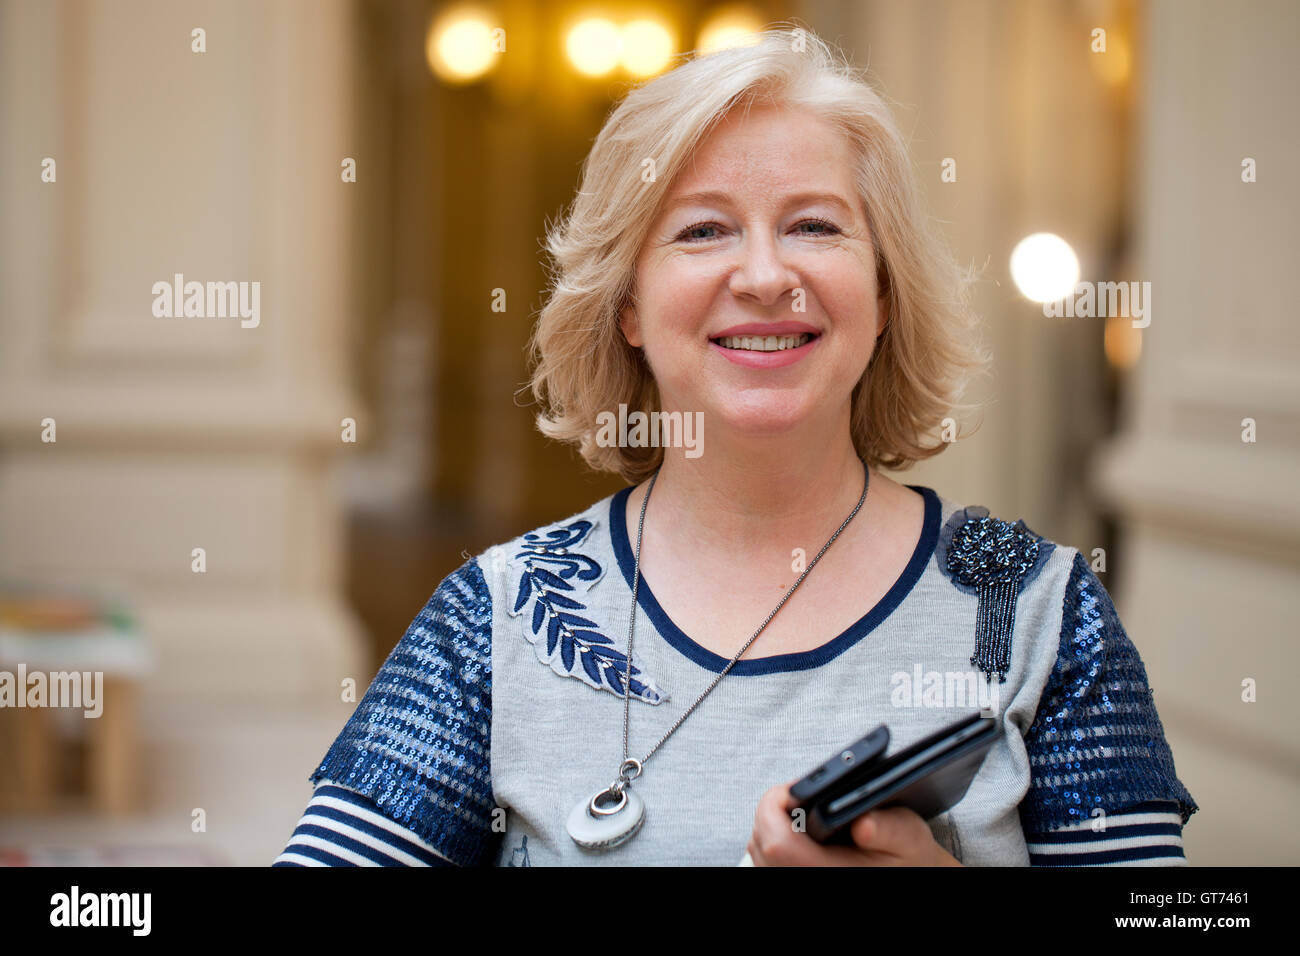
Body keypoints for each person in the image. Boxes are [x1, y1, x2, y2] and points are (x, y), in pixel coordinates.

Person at [274, 26, 1195, 867]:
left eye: (814, 225)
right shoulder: (495, 618)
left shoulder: (1042, 612)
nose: (764, 276)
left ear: (882, 293)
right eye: (703, 230)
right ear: (627, 307)